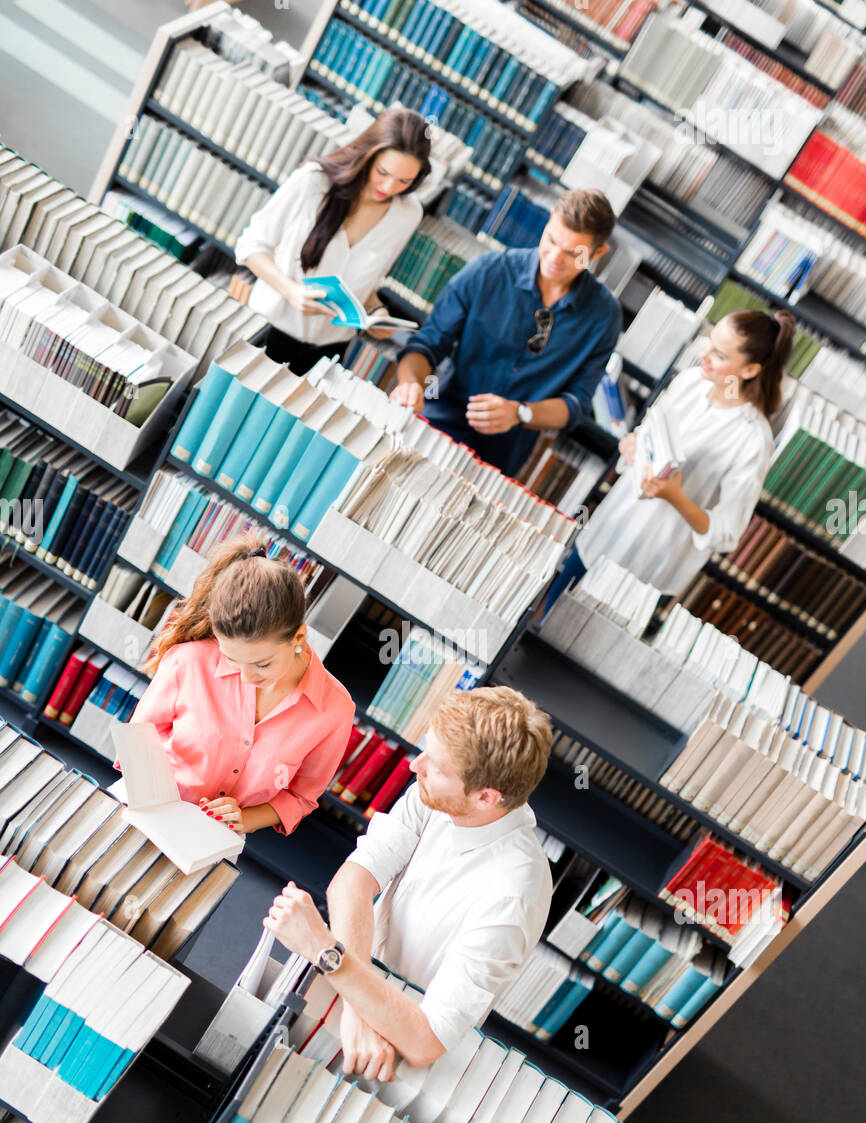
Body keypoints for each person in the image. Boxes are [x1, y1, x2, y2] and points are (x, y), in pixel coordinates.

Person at [264, 686, 553, 1079]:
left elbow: (425, 1040)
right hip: (350, 997)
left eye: (435, 765)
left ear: (486, 797)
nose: (415, 766)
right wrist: (357, 1006)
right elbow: (353, 882)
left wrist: (324, 949)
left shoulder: (515, 896)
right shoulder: (436, 792)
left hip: (391, 1057)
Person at [543, 308, 795, 611]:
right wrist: (632, 445)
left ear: (750, 370)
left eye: (720, 355)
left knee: (565, 643)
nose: (705, 355)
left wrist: (676, 497)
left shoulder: (753, 439)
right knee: (544, 615)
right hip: (607, 530)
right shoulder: (690, 381)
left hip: (647, 568)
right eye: (709, 342)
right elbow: (645, 434)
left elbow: (727, 532)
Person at [130, 534, 355, 837]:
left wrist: (243, 820)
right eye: (231, 659)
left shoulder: (335, 710)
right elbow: (138, 739)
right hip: (146, 815)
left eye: (262, 664)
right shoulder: (189, 662)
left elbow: (301, 798)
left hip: (218, 840)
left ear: (298, 638)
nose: (246, 677)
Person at [388, 188, 622, 478]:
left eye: (573, 253)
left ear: (599, 253)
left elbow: (576, 404)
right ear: (548, 222)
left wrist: (520, 412)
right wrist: (411, 383)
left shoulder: (605, 317)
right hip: (439, 423)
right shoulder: (488, 271)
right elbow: (427, 343)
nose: (554, 257)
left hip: (501, 459)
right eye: (550, 240)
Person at [234, 109, 431, 375]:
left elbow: (369, 282)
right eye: (382, 172)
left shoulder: (408, 214)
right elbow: (251, 246)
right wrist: (291, 290)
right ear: (367, 155)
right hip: (268, 328)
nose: (387, 187)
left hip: (329, 352)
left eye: (404, 181)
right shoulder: (314, 180)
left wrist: (377, 313)